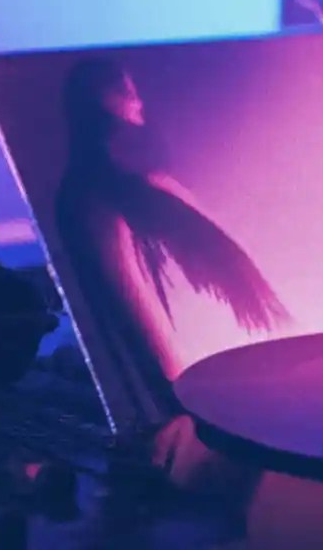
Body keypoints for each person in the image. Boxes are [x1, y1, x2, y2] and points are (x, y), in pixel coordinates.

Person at [54, 58, 290, 427]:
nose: (139, 103)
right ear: (101, 99)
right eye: (127, 92)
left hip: (219, 389)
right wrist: (182, 411)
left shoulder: (150, 187)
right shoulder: (95, 202)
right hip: (189, 407)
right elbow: (137, 319)